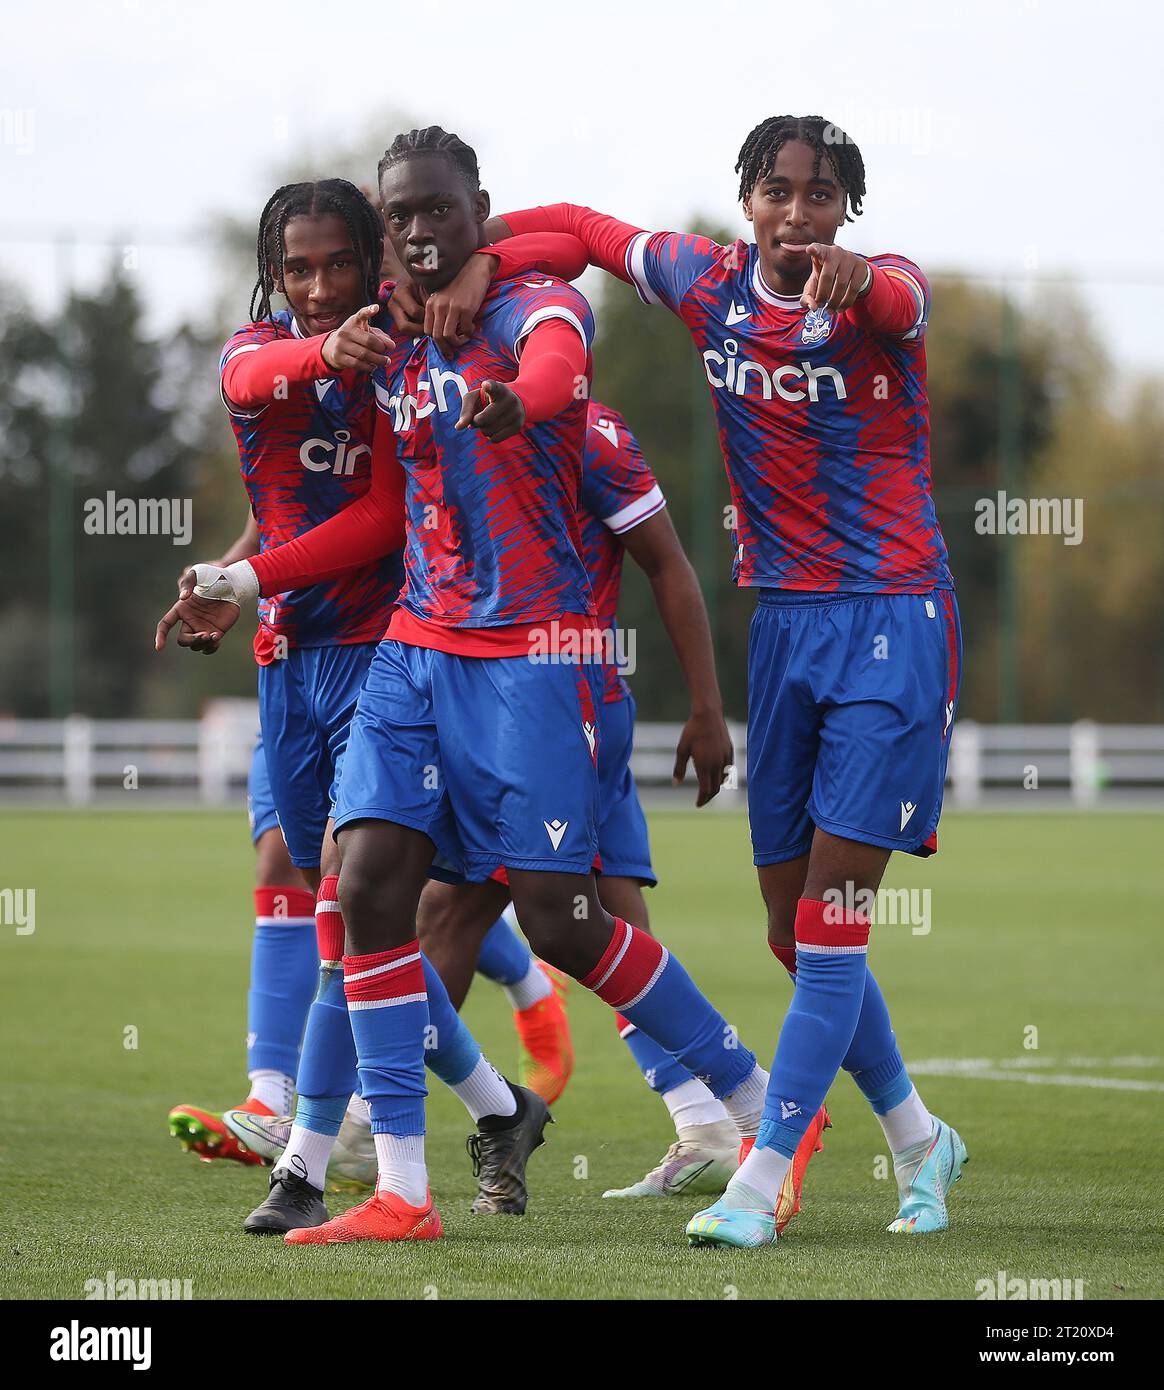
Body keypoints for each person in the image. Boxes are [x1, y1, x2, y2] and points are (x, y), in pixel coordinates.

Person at [158, 126, 773, 1246]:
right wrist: (241, 570)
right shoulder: (382, 326)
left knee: (570, 921)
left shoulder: (531, 302)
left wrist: (515, 392)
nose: (420, 235)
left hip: (539, 665)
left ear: (477, 210)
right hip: (415, 645)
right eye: (403, 219)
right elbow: (313, 443)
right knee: (364, 888)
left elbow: (558, 331)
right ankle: (389, 1179)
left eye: (443, 212)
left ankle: (753, 1106)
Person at [429, 114, 966, 1248]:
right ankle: (919, 1134)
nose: (796, 213)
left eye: (821, 197)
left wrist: (859, 279)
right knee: (791, 928)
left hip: (894, 623)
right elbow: (577, 229)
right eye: (776, 191)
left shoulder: (886, 291)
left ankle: (764, 1172)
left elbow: (901, 304)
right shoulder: (702, 282)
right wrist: (487, 256)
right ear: (747, 199)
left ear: (846, 212)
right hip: (784, 629)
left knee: (831, 927)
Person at [159, 176, 581, 1234]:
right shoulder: (256, 349)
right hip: (287, 657)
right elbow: (261, 385)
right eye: (296, 266)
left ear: (372, 261)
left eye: (339, 264)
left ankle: (306, 1142)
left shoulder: (402, 350)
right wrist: (234, 573)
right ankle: (501, 1104)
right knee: (352, 922)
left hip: (384, 652)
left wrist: (485, 262)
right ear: (273, 269)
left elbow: (387, 520)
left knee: (350, 908)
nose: (317, 285)